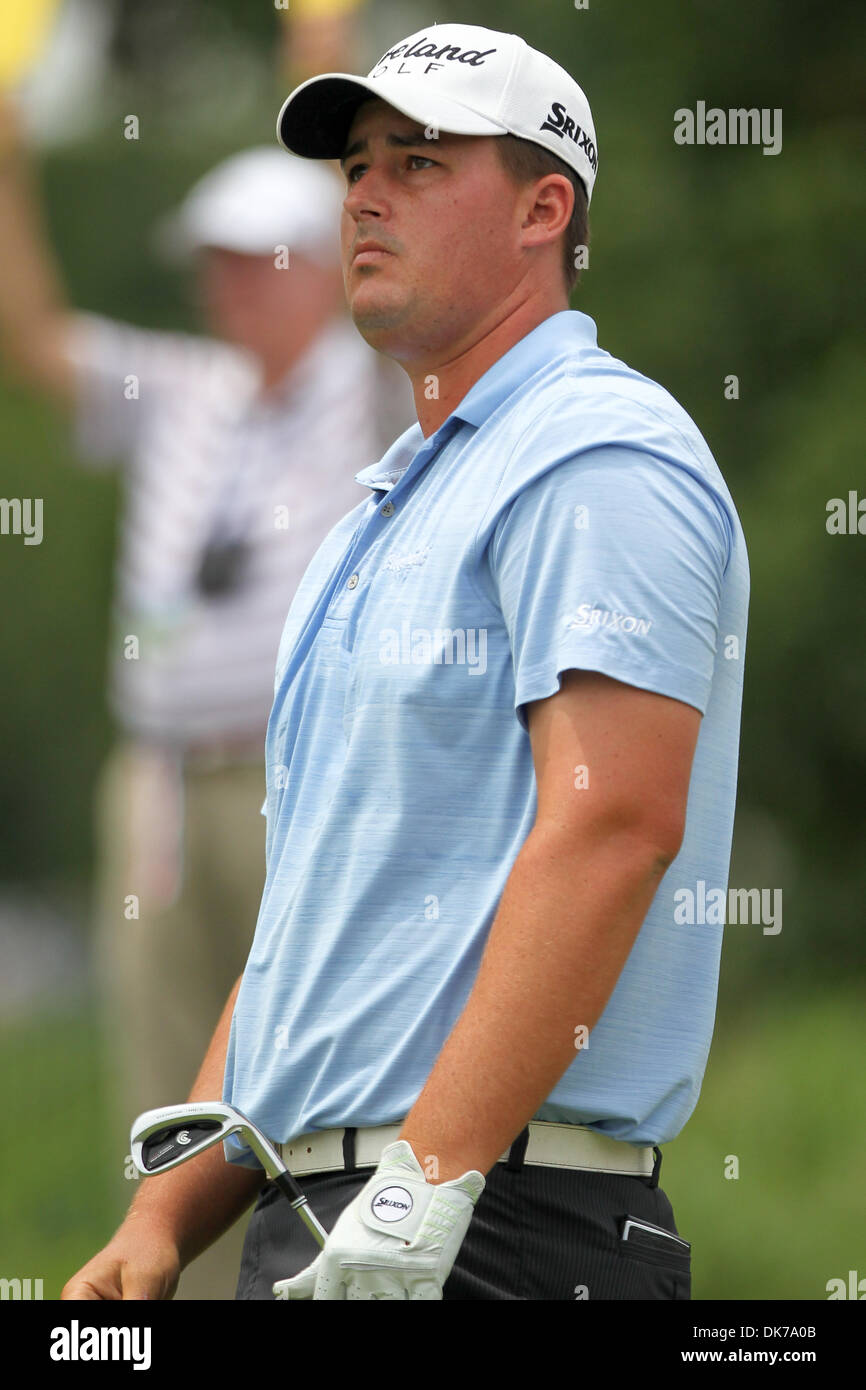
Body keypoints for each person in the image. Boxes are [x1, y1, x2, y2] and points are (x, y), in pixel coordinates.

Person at [61, 21, 749, 1302]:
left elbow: (612, 829)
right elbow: (309, 931)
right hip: (334, 1213)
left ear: (545, 208)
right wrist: (164, 1219)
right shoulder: (378, 514)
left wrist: (428, 1179)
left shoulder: (595, 451)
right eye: (356, 163)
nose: (365, 190)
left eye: (421, 161)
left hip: (493, 1222)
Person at [0, 104, 410, 1298]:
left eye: (251, 260)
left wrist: (332, 95)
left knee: (311, 1052)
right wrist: (9, 160)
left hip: (302, 773)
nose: (223, 285)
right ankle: (164, 1273)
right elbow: (31, 333)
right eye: (213, 263)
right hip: (164, 779)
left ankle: (312, 1277)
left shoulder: (367, 385)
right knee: (169, 1072)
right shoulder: (181, 385)